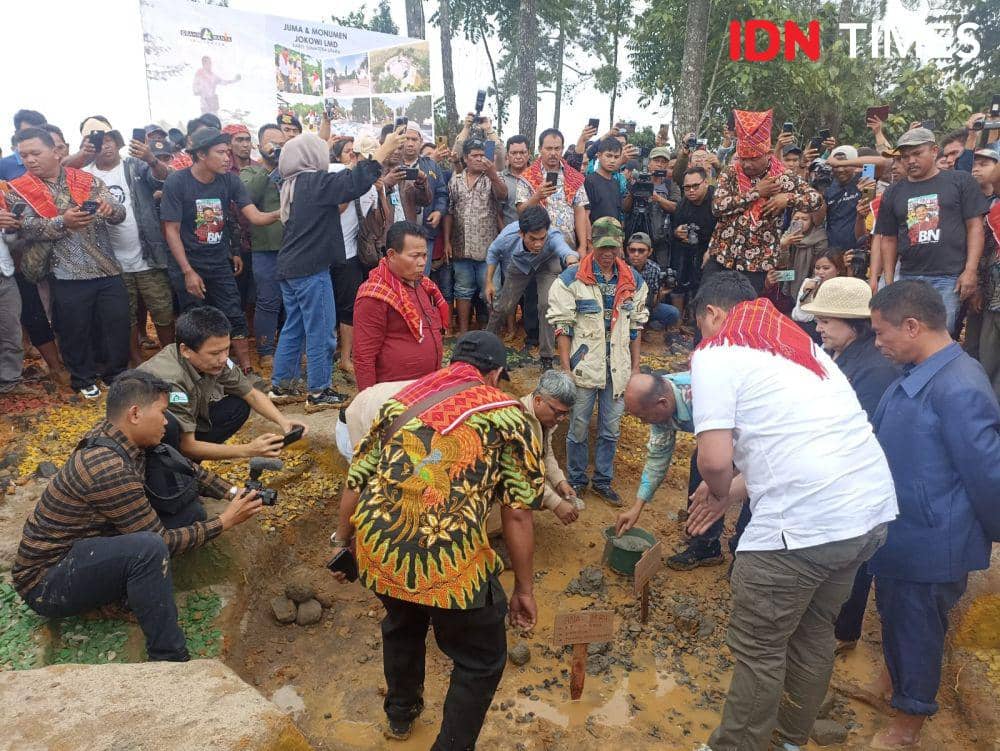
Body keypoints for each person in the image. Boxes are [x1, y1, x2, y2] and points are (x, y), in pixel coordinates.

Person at [684, 271, 897, 751]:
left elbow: (714, 459)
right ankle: (789, 741)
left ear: (713, 315)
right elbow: (789, 446)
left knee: (759, 650)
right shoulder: (801, 349)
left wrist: (719, 491)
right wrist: (734, 492)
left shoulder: (719, 351)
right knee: (813, 633)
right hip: (865, 515)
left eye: (702, 327)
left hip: (803, 529)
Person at [329, 331, 545, 746]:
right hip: (449, 559)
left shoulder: (401, 401)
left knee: (403, 624)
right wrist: (524, 588)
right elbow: (517, 512)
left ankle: (401, 713)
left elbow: (356, 479)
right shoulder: (509, 415)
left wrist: (342, 542)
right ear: (495, 373)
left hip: (381, 548)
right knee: (481, 660)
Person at [12, 370, 263, 662]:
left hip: (88, 548)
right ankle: (169, 656)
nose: (167, 422)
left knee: (190, 512)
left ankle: (119, 597)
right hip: (47, 582)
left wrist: (233, 493)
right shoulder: (108, 466)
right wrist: (225, 521)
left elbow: (187, 469)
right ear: (134, 413)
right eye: (162, 412)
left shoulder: (122, 436)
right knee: (149, 549)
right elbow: (161, 542)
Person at [864, 280, 1000, 749]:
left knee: (918, 629)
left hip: (931, 539)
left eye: (882, 334)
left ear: (913, 326)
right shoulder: (916, 373)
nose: (877, 343)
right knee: (896, 614)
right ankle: (889, 682)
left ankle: (907, 725)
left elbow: (987, 473)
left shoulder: (960, 387)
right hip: (905, 531)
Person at [798, 277, 899, 651]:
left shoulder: (873, 370)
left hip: (853, 479)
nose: (819, 327)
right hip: (836, 471)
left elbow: (862, 434)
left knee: (852, 563)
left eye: (826, 321)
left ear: (854, 325)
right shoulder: (842, 354)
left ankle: (843, 632)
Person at [268, 132, 397, 411]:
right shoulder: (312, 182)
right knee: (321, 330)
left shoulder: (293, 183)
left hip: (290, 268)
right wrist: (382, 151)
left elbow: (346, 182)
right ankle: (319, 391)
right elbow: (351, 183)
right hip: (310, 269)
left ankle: (281, 386)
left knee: (295, 327)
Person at [5, 127, 130, 399]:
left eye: (35, 153)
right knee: (74, 329)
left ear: (57, 151)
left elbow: (119, 213)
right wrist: (64, 221)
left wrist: (110, 210)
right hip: (64, 271)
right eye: (24, 155)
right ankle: (83, 378)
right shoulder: (19, 190)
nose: (30, 160)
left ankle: (116, 374)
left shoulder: (86, 179)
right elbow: (25, 228)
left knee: (116, 323)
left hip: (105, 266)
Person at [160, 127, 280, 372]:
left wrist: (282, 212)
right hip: (188, 263)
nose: (228, 158)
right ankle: (198, 374)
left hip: (218, 261)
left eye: (229, 153)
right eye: (222, 153)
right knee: (195, 319)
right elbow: (171, 230)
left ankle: (246, 370)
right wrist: (187, 271)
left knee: (233, 313)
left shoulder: (229, 180)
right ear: (202, 155)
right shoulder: (178, 182)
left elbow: (255, 216)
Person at [548, 216, 649, 506]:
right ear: (592, 244)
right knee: (578, 426)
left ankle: (603, 480)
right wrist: (567, 369)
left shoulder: (633, 280)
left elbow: (635, 327)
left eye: (613, 248)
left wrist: (635, 367)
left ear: (620, 246)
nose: (607, 254)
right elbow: (562, 326)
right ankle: (577, 480)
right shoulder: (571, 279)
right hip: (584, 365)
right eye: (602, 248)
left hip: (616, 365)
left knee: (611, 428)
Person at [139, 306, 305, 461]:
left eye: (226, 349)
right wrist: (249, 450)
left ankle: (191, 465)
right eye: (215, 353)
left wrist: (283, 422)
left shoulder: (217, 361)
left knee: (238, 406)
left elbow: (251, 394)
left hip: (184, 423)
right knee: (173, 433)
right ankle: (176, 470)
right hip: (148, 444)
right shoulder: (171, 380)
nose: (223, 358)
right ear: (186, 350)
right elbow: (187, 446)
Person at [874, 127, 989, 333]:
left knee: (939, 340)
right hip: (908, 277)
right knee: (907, 339)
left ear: (935, 150)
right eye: (905, 156)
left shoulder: (960, 181)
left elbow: (975, 227)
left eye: (917, 154)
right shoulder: (893, 192)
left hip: (948, 278)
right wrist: (890, 282)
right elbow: (888, 239)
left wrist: (970, 271)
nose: (910, 161)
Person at [82, 119, 175, 366]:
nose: (106, 146)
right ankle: (136, 362)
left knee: (163, 311)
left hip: (147, 254)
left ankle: (173, 360)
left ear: (118, 141)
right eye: (99, 141)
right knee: (125, 316)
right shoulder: (84, 175)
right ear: (90, 145)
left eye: (110, 139)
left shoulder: (134, 164)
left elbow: (166, 179)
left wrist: (151, 159)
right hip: (109, 261)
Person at [707, 109, 823, 294]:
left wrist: (788, 198)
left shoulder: (783, 177)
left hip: (756, 264)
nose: (747, 164)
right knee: (708, 307)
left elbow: (816, 200)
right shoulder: (731, 172)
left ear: (768, 153)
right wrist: (756, 192)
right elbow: (717, 206)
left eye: (753, 159)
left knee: (745, 315)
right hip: (722, 256)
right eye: (743, 159)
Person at [352, 221, 450, 392]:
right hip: (393, 396)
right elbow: (364, 357)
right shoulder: (374, 295)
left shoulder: (423, 285)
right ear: (391, 255)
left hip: (426, 388)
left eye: (424, 255)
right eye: (414, 256)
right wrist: (368, 403)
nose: (422, 262)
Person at [485, 206, 580, 370]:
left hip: (547, 265)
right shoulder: (507, 236)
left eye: (542, 238)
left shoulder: (553, 236)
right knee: (503, 307)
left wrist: (572, 260)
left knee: (547, 305)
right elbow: (493, 253)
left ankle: (546, 358)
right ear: (521, 233)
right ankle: (485, 347)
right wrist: (489, 282)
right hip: (519, 265)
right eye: (533, 239)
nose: (538, 244)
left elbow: (565, 251)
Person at [614, 371, 698, 537]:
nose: (643, 423)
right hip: (716, 433)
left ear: (662, 403)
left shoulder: (699, 395)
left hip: (750, 428)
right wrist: (636, 508)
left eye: (643, 417)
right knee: (701, 469)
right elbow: (657, 458)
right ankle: (702, 544)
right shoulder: (661, 403)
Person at [443, 138, 507, 333]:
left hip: (488, 251)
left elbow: (503, 195)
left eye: (482, 155)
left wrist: (493, 174)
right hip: (462, 247)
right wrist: (446, 241)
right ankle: (463, 332)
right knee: (462, 291)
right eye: (475, 156)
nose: (480, 159)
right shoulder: (455, 180)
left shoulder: (492, 178)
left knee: (492, 293)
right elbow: (450, 212)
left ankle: (492, 334)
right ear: (465, 158)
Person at [239, 124, 286, 367]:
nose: (277, 147)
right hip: (265, 249)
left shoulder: (293, 169)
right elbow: (248, 195)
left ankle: (292, 348)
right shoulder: (249, 172)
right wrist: (268, 166)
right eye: (271, 142)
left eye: (281, 141)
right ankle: (266, 350)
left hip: (293, 247)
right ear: (260, 146)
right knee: (268, 301)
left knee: (293, 302)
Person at [516, 128, 589, 257]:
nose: (553, 153)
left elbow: (580, 211)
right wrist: (537, 197)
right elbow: (521, 211)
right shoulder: (527, 177)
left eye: (557, 148)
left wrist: (583, 246)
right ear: (540, 149)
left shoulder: (573, 176)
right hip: (538, 250)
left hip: (569, 248)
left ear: (562, 149)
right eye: (549, 149)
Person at [969, 148, 1000, 397]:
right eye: (974, 163)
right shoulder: (986, 207)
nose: (977, 168)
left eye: (985, 163)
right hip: (991, 296)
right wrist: (978, 284)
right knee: (985, 361)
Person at [672, 166, 716, 314]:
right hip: (690, 250)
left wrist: (712, 249)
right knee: (680, 280)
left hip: (716, 248)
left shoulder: (717, 200)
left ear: (706, 183)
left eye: (695, 186)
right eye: (687, 187)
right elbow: (673, 229)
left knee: (708, 286)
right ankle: (679, 321)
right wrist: (677, 233)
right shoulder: (682, 205)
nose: (691, 190)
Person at [626, 232, 681, 343]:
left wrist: (661, 294)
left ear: (650, 252)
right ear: (627, 250)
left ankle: (645, 329)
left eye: (641, 251)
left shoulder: (654, 269)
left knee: (673, 313)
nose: (636, 254)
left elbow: (653, 301)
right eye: (632, 250)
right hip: (625, 306)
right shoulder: (622, 266)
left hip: (645, 305)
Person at [0, 194, 24, 393]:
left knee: (11, 331)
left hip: (4, 274)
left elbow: (8, 241)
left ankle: (10, 381)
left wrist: (11, 228)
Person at [645, 146, 682, 270]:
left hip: (662, 239)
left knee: (662, 272)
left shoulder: (671, 185)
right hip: (640, 236)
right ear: (649, 163)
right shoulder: (639, 180)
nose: (660, 165)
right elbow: (626, 207)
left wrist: (658, 199)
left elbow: (676, 207)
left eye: (664, 162)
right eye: (656, 161)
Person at [825, 145, 862, 252]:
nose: (840, 169)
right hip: (834, 250)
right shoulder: (828, 186)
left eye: (845, 164)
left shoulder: (864, 178)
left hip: (859, 248)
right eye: (836, 166)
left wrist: (840, 163)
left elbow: (882, 162)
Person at [584, 137, 629, 222]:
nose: (612, 161)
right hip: (594, 233)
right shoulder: (589, 181)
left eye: (616, 157)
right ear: (599, 156)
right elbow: (585, 215)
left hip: (614, 233)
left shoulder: (616, 183)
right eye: (609, 156)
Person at [0, 109, 46, 180]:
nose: (34, 137)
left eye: (39, 132)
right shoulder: (2, 166)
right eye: (28, 132)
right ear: (16, 134)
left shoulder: (54, 159)